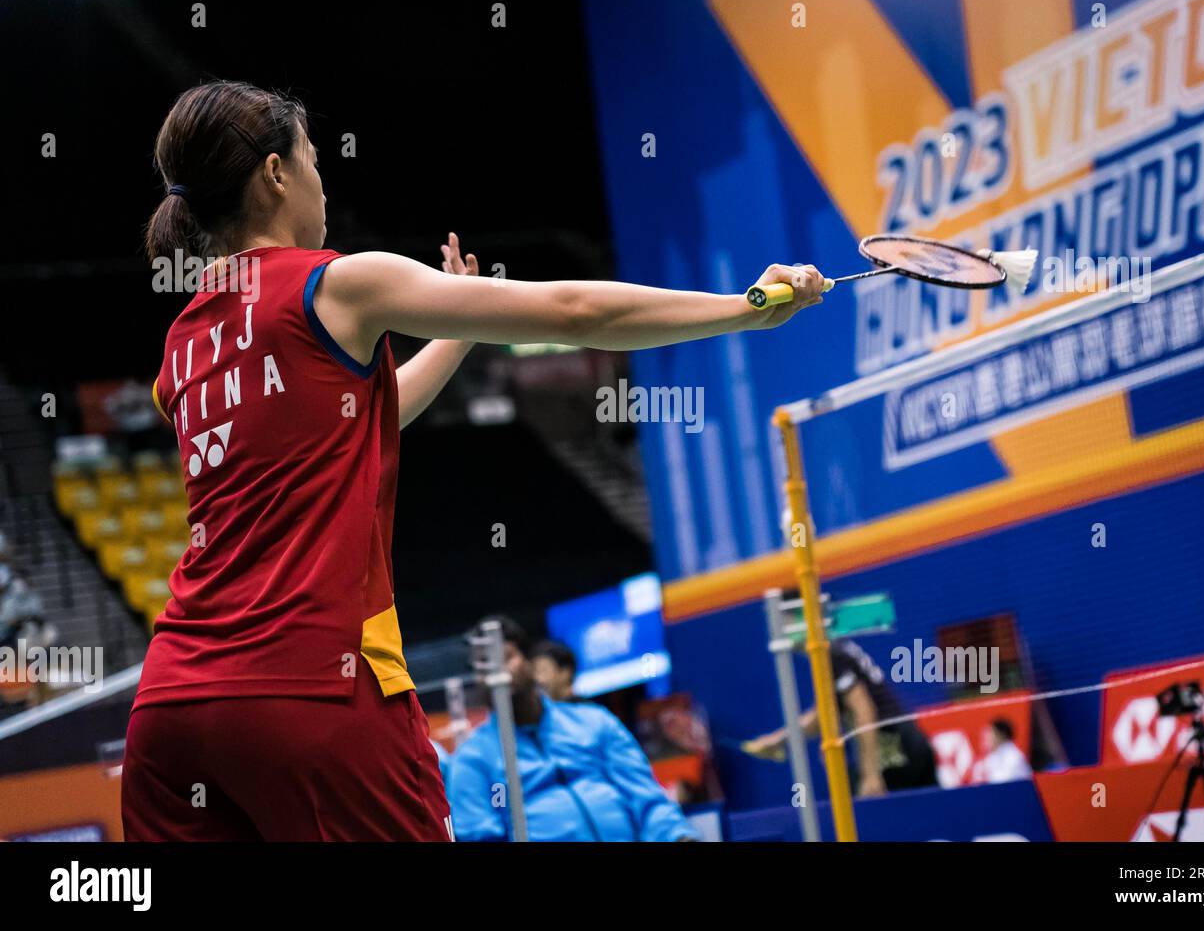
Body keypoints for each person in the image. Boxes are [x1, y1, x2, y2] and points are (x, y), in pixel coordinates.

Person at [120, 81, 823, 842]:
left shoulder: (180, 350)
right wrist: (745, 306)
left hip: (171, 713)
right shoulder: (337, 282)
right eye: (313, 159)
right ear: (276, 174)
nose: (323, 181)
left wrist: (457, 325)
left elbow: (361, 417)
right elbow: (574, 314)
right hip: (315, 687)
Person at [450, 617, 697, 841]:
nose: (498, 672)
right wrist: (501, 794)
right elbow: (483, 832)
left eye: (507, 658)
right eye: (483, 664)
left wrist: (678, 836)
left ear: (530, 663)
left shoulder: (594, 723)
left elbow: (645, 797)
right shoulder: (476, 760)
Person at [743, 639, 937, 797]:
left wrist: (870, 775)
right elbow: (821, 716)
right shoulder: (832, 648)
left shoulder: (829, 653)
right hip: (906, 741)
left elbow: (864, 710)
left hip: (894, 748)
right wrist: (778, 740)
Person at [975, 718, 1032, 783]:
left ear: (1001, 735)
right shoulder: (993, 756)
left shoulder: (1014, 756)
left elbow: (1002, 781)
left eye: (990, 733)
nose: (987, 738)